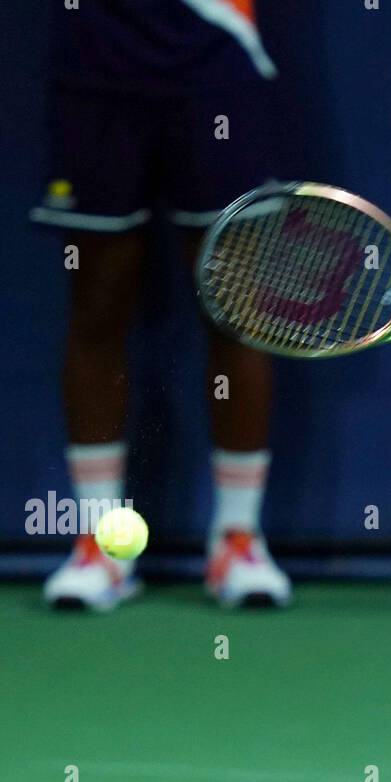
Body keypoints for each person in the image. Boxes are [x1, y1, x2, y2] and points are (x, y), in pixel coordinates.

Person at [32, 0, 291, 610]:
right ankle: (100, 545)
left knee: (235, 312)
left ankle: (238, 539)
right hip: (95, 65)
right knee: (96, 307)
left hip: (216, 57)